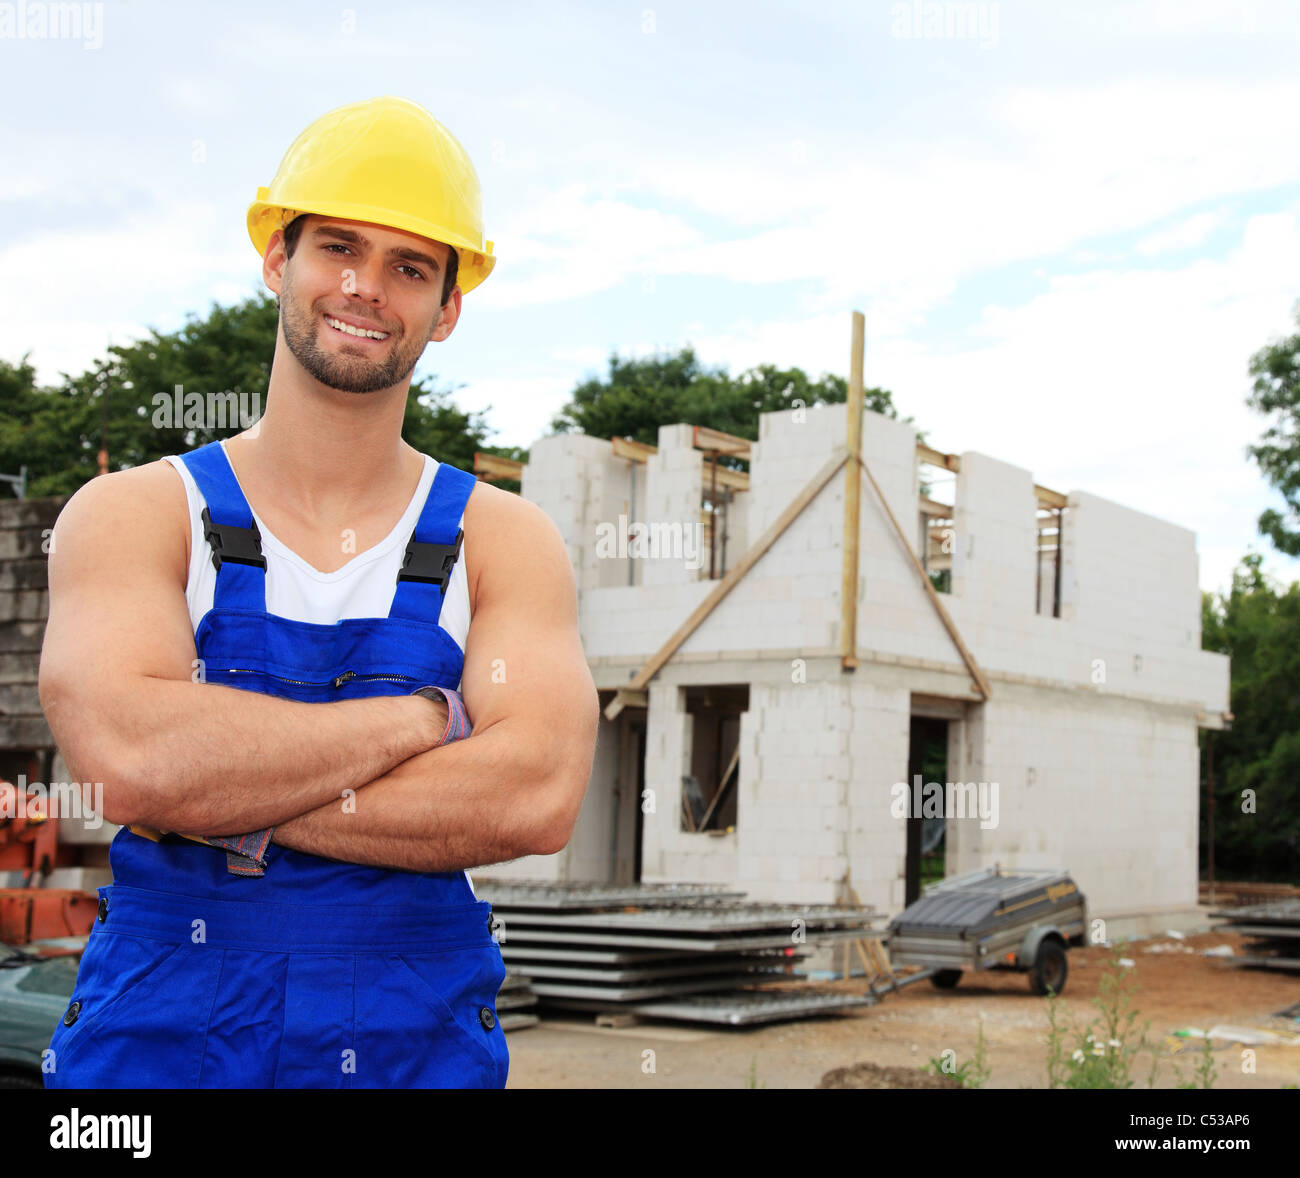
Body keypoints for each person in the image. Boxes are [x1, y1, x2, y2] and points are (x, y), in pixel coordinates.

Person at [37, 95, 599, 1089]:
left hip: (413, 1036)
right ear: (276, 260)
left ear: (448, 307)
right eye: (337, 246)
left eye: (409, 266)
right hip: (157, 1039)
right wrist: (419, 722)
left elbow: (536, 793)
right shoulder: (133, 513)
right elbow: (130, 760)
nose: (364, 286)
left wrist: (215, 788)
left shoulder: (505, 540)